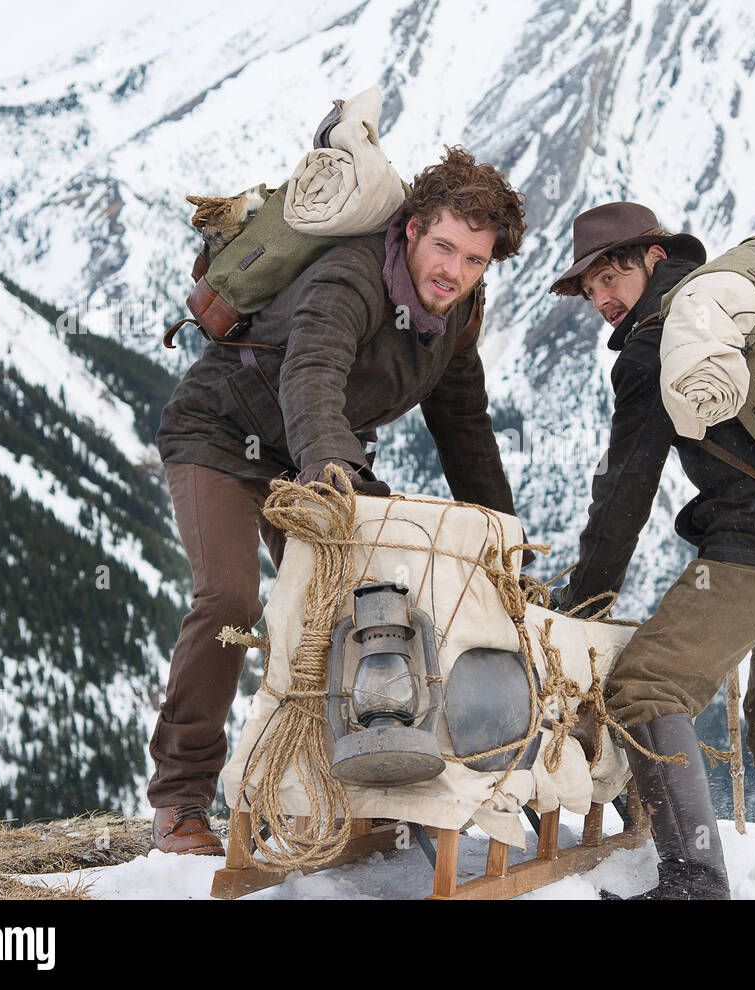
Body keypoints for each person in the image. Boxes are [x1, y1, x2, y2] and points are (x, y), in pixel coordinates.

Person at [149, 146, 526, 855]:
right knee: (230, 600)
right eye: (444, 247)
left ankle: (341, 791)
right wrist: (335, 481)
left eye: (474, 260)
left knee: (368, 603)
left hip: (312, 453)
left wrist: (503, 537)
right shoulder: (350, 277)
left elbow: (465, 429)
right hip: (222, 437)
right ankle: (182, 801)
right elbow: (313, 372)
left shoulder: (455, 312)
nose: (454, 271)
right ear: (412, 230)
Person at [549, 202, 755, 898]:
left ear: (657, 260)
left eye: (614, 276)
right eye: (591, 289)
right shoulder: (746, 300)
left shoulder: (655, 347)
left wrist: (583, 597)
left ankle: (694, 884)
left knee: (644, 688)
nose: (604, 297)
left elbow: (624, 494)